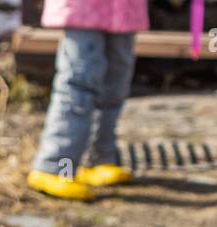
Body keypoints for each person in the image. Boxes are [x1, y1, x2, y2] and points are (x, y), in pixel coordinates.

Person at [26, 0, 149, 201]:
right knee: (79, 85)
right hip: (83, 9)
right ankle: (57, 166)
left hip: (126, 10)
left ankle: (100, 158)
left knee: (115, 85)